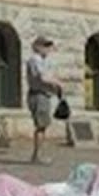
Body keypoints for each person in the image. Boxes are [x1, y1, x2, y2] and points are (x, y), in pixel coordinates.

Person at [25, 36, 63, 165]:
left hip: (44, 95)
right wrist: (57, 83)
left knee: (43, 125)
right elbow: (42, 78)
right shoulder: (35, 60)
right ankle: (37, 156)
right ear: (37, 47)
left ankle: (37, 155)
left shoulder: (42, 60)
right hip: (38, 95)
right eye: (45, 46)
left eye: (48, 46)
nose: (48, 49)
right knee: (41, 126)